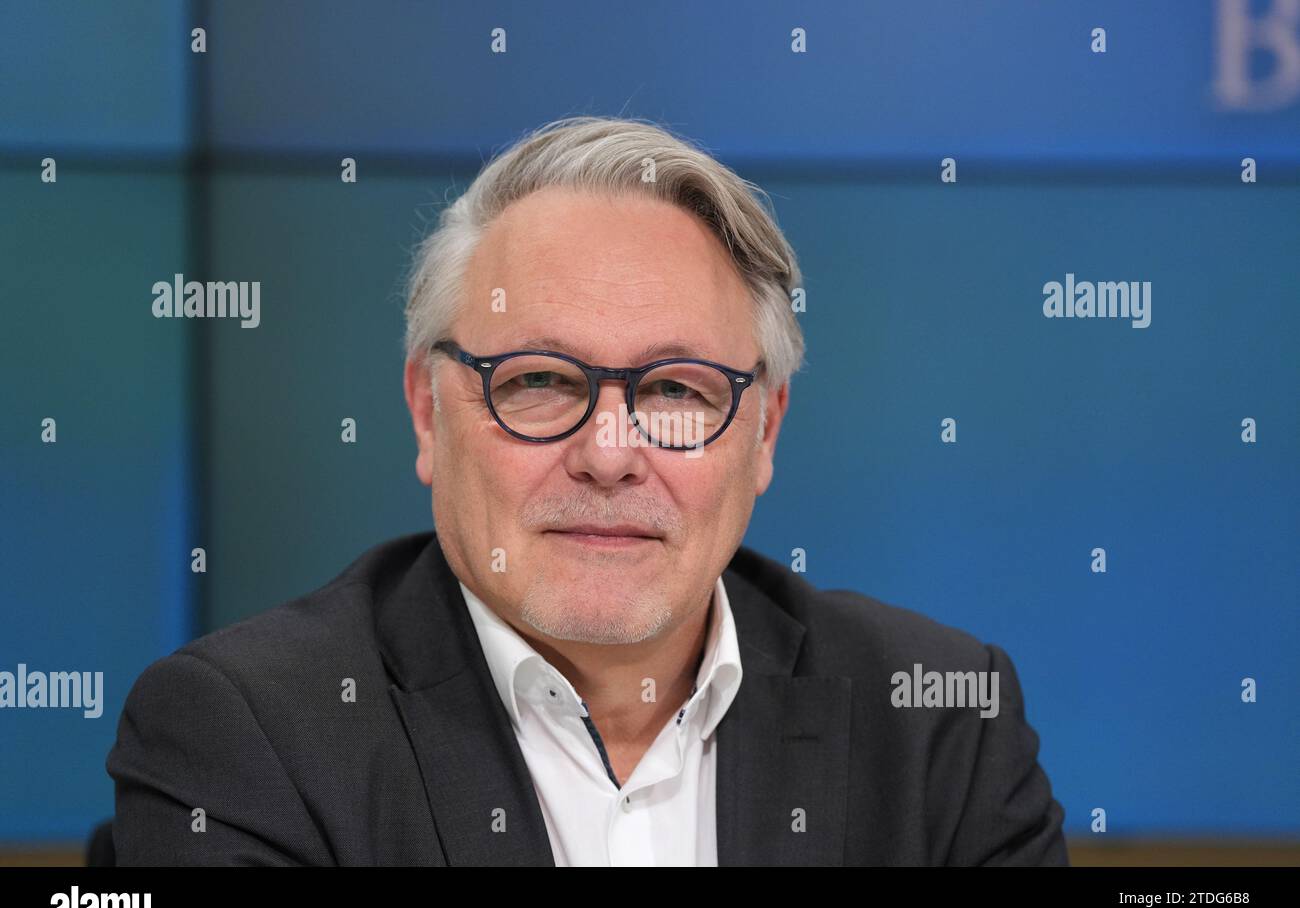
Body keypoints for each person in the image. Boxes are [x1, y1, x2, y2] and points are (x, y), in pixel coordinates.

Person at [107, 116, 1068, 865]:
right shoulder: (244, 736)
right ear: (426, 415)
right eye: (537, 381)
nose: (609, 455)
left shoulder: (941, 723)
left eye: (679, 391)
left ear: (765, 430)